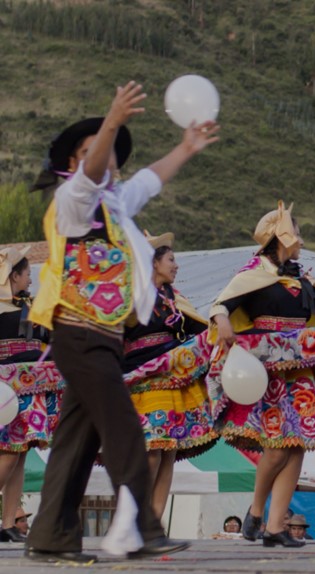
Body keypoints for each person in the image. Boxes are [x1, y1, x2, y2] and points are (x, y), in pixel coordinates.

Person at [25, 82, 220, 565]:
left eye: (110, 152)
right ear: (72, 165)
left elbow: (148, 179)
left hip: (107, 338)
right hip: (78, 333)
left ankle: (49, 536)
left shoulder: (114, 207)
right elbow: (90, 178)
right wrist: (111, 120)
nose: (104, 159)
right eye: (92, 153)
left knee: (75, 439)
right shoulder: (72, 202)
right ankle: (146, 529)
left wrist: (186, 147)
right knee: (123, 427)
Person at [209, 201, 315, 549]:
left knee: (298, 445)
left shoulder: (302, 279)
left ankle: (276, 525)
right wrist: (225, 323)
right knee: (276, 447)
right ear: (281, 237)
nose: (301, 241)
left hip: (302, 371)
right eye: (297, 234)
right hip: (269, 373)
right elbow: (220, 306)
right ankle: (256, 512)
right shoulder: (251, 277)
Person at [122, 232, 217, 520]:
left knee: (168, 453)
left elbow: (200, 330)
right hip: (141, 380)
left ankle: (154, 521)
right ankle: (136, 518)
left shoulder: (175, 299)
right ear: (153, 263)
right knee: (152, 451)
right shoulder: (132, 296)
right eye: (171, 260)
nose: (176, 266)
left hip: (172, 380)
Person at [0, 247, 57, 544]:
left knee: (19, 456)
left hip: (30, 387)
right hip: (7, 392)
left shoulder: (32, 307)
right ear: (13, 276)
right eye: (26, 274)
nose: (30, 280)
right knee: (9, 455)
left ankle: (9, 522)